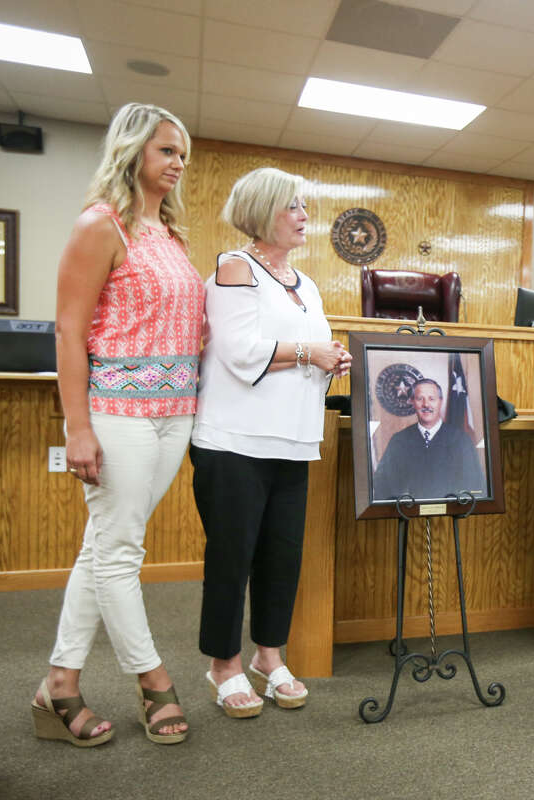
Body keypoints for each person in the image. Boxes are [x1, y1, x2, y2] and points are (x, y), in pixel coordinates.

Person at [32, 103, 203, 747]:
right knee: (122, 553)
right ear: (132, 152)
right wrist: (78, 426)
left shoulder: (171, 236)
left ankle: (59, 684)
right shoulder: (100, 226)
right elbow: (70, 332)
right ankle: (153, 680)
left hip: (173, 412)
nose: (177, 163)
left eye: (182, 153)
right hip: (117, 411)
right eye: (166, 150)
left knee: (103, 545)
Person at [191, 167, 351, 718]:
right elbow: (239, 351)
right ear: (263, 213)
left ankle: (268, 657)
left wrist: (333, 356)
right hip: (234, 441)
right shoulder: (235, 269)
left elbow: (310, 344)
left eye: (305, 206)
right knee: (232, 559)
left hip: (293, 439)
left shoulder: (304, 282)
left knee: (282, 558)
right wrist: (311, 354)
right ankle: (223, 665)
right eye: (293, 207)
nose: (305, 216)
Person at [371, 378, 485, 501]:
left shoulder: (461, 441)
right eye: (420, 399)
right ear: (412, 402)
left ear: (440, 402)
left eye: (432, 399)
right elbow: (382, 486)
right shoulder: (399, 441)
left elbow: (475, 486)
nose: (426, 404)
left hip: (450, 515)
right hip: (408, 514)